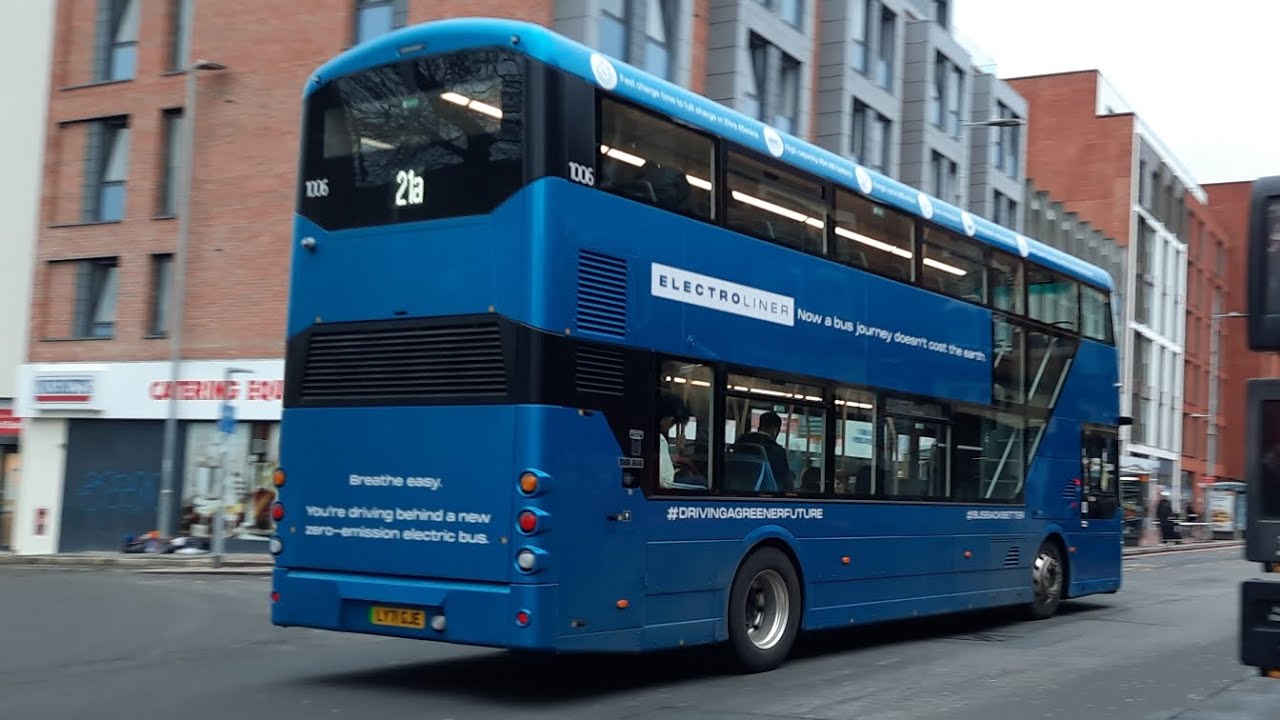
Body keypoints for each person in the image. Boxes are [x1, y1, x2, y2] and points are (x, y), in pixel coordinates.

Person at [736, 411, 795, 490]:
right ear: (775, 431)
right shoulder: (777, 452)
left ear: (759, 428)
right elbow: (786, 483)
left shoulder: (739, 444)